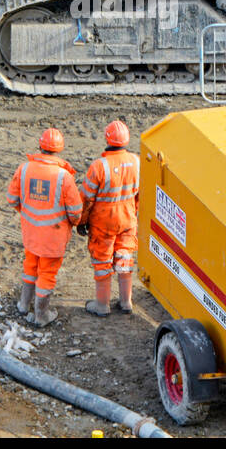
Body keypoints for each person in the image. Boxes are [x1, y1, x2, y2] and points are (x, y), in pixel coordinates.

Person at [6, 127, 83, 326]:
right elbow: (75, 211)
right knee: (47, 273)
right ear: (59, 149)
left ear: (40, 146)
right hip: (53, 237)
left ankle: (23, 304)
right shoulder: (63, 177)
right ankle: (41, 315)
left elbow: (12, 199)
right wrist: (72, 224)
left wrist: (29, 215)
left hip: (31, 232)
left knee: (30, 265)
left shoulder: (24, 169)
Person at [78, 120, 141, 316]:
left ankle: (102, 305)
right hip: (128, 218)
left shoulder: (99, 166)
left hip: (104, 222)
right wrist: (133, 212)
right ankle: (126, 302)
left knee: (102, 262)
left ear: (107, 138)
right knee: (125, 258)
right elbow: (139, 194)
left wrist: (81, 221)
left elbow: (86, 199)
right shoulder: (137, 162)